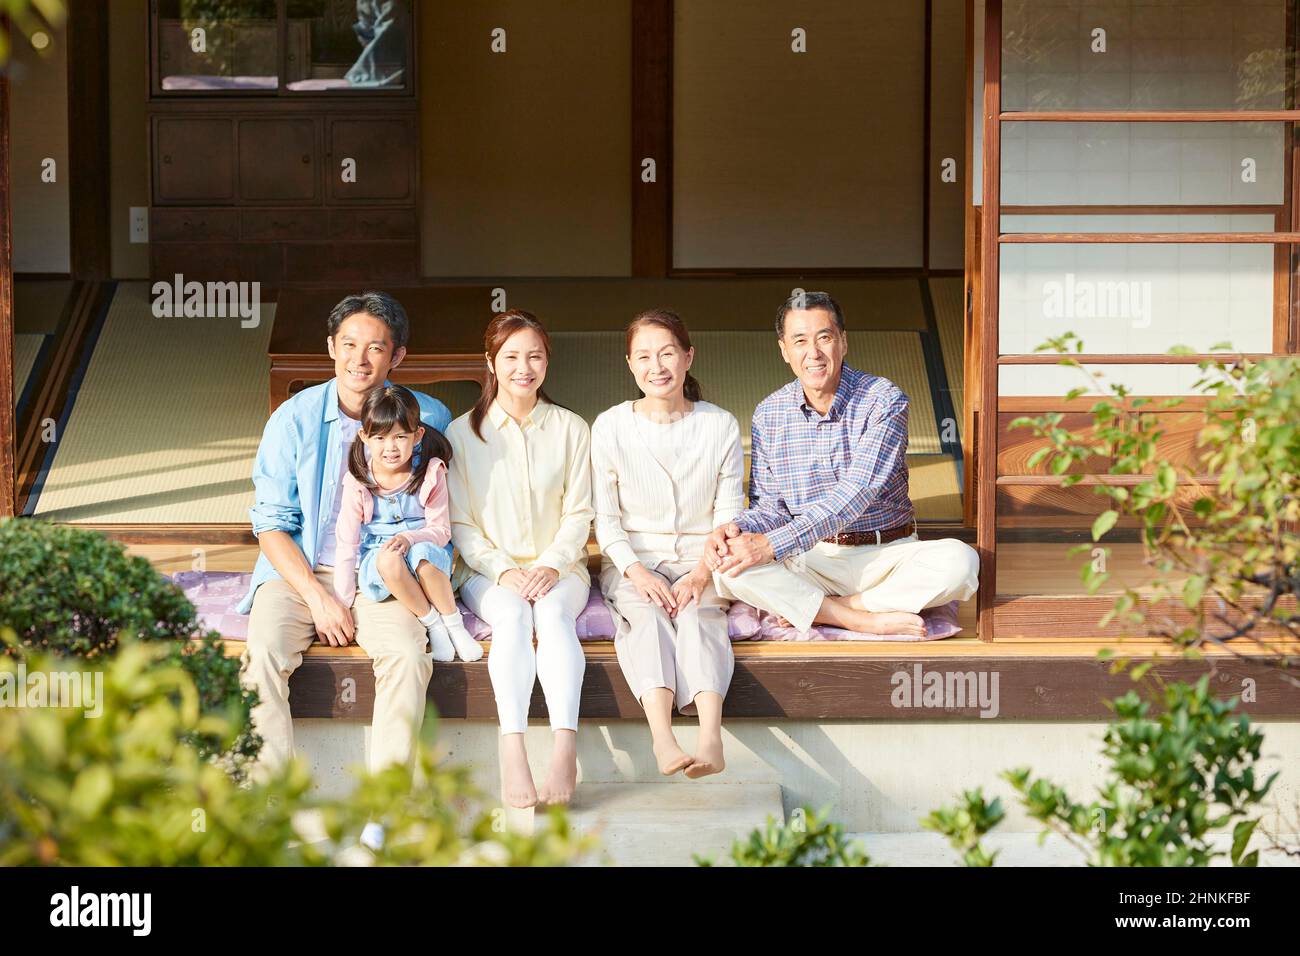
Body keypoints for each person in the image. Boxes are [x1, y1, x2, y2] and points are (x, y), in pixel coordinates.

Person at [239, 292, 451, 792]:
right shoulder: (293, 419)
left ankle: (386, 814)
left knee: (406, 655)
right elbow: (270, 523)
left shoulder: (430, 418)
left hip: (382, 571)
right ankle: (269, 806)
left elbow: (444, 511)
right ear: (331, 346)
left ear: (396, 356)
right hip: (301, 572)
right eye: (349, 344)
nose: (359, 359)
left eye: (375, 347)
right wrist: (319, 597)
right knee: (262, 656)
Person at [707, 291, 980, 636]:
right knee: (725, 567)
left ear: (843, 342)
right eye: (800, 341)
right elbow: (771, 508)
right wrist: (736, 529)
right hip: (813, 558)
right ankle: (858, 616)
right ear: (784, 351)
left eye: (824, 337)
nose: (814, 353)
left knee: (961, 563)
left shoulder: (883, 399)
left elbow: (856, 493)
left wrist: (771, 545)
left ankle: (836, 607)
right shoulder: (769, 413)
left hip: (887, 555)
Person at [446, 310, 594, 809]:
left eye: (534, 356)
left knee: (552, 614)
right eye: (510, 356)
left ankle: (563, 747)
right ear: (491, 362)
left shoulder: (572, 428)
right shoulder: (463, 433)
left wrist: (551, 564)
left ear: (547, 360)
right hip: (489, 572)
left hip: (561, 568)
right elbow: (460, 522)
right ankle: (512, 748)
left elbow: (580, 512)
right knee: (511, 615)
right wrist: (504, 570)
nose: (523, 367)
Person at [592, 309, 742, 778]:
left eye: (667, 353)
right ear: (630, 365)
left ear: (688, 356)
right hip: (634, 558)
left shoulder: (720, 425)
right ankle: (662, 739)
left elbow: (729, 512)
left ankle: (710, 738)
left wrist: (702, 573)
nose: (657, 366)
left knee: (701, 615)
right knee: (646, 615)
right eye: (644, 356)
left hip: (705, 556)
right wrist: (637, 572)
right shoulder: (610, 426)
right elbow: (606, 519)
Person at [331, 384, 481, 663]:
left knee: (422, 555)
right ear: (364, 437)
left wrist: (410, 538)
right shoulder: (358, 482)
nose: (390, 447)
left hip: (427, 548)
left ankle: (454, 626)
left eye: (400, 436)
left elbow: (441, 531)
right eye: (380, 438)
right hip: (381, 560)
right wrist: (342, 601)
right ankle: (434, 625)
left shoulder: (430, 472)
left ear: (417, 436)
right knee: (388, 559)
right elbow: (347, 543)